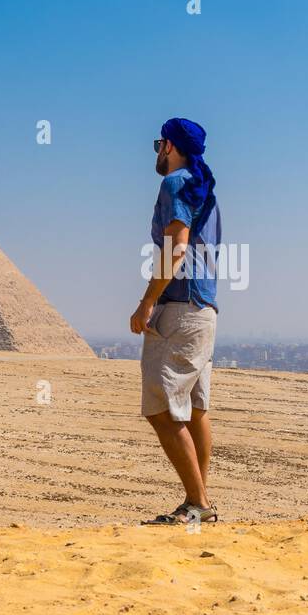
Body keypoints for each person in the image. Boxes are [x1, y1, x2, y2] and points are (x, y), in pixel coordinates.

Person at [130, 117, 222, 526]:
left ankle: (196, 503)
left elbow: (176, 248)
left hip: (179, 308)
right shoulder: (206, 190)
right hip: (204, 311)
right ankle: (199, 501)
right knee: (196, 410)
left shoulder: (175, 183)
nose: (157, 153)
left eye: (158, 145)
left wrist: (147, 301)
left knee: (162, 410)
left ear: (169, 146)